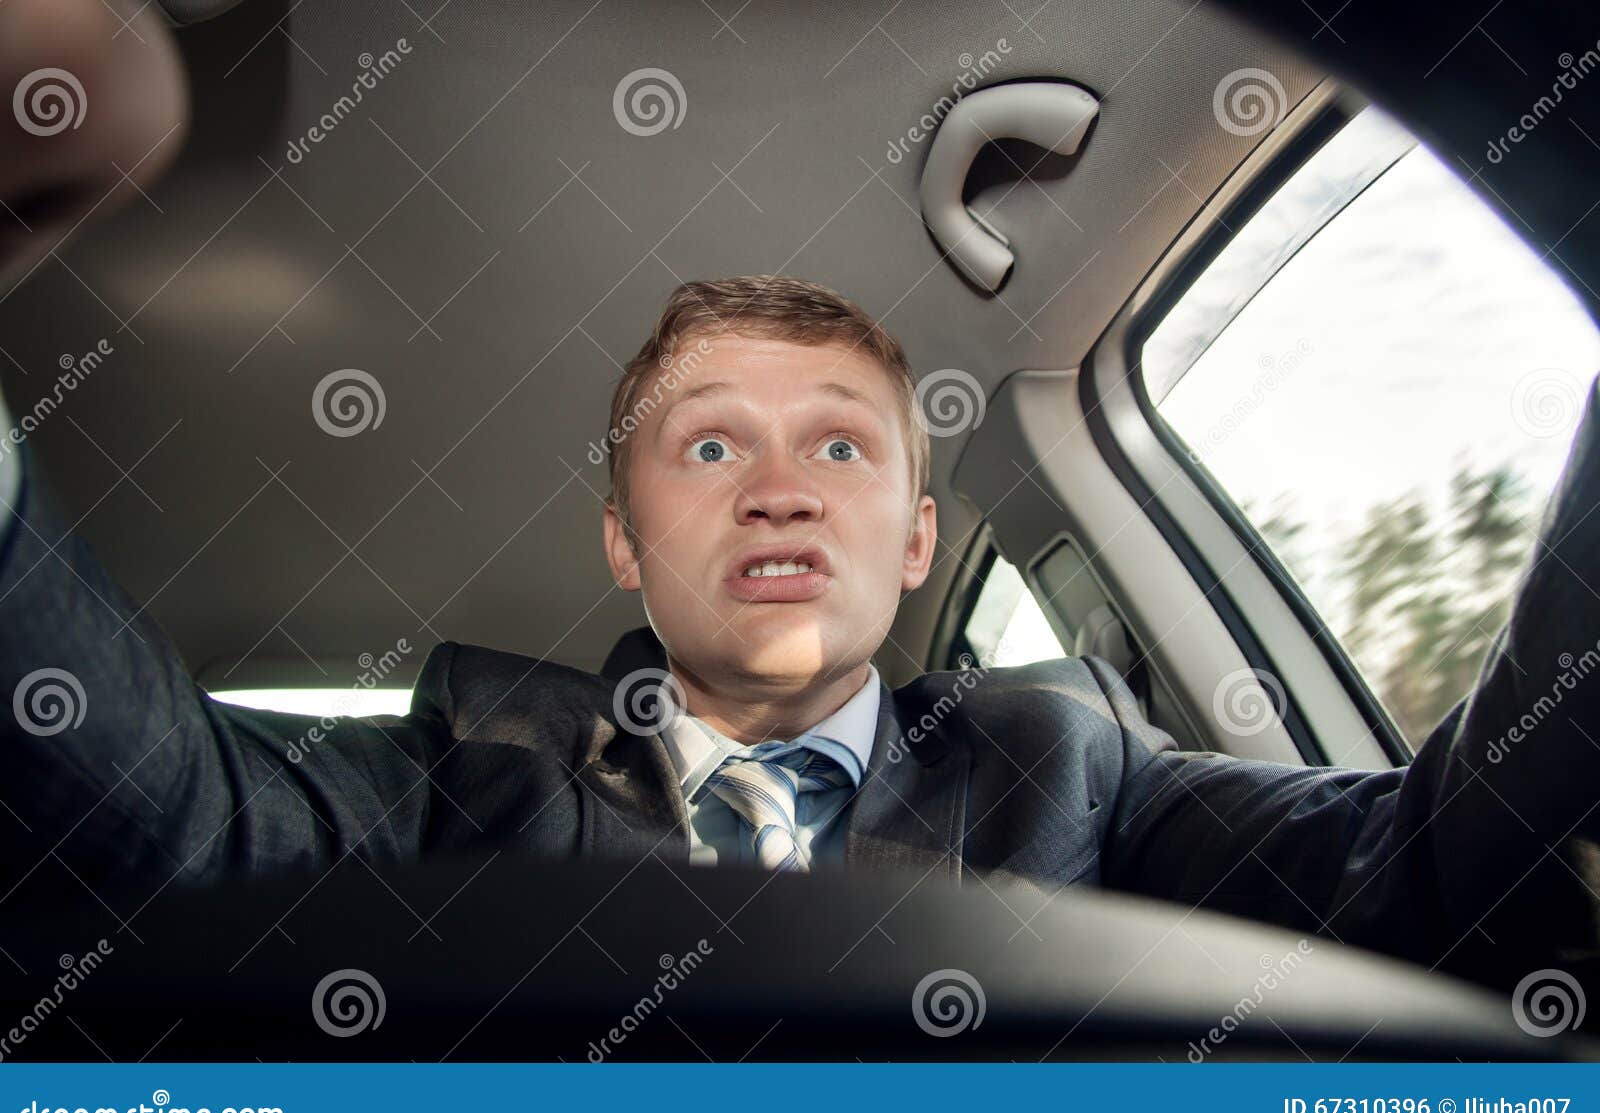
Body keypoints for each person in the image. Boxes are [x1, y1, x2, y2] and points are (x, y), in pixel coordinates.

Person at [2, 0, 1598, 996]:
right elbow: (177, 828)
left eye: (841, 446)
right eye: (708, 446)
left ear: (917, 540)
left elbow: (1436, 870)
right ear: (624, 539)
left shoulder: (1077, 760)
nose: (778, 488)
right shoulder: (462, 765)